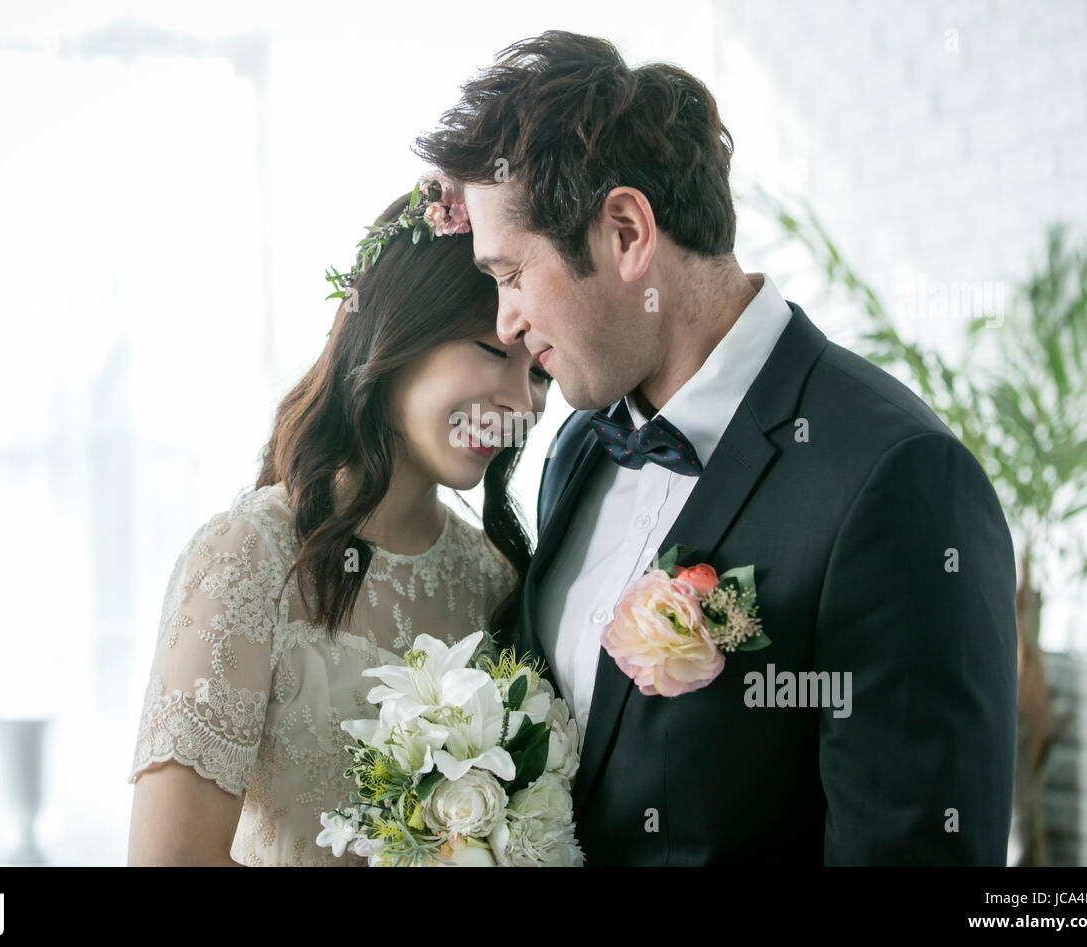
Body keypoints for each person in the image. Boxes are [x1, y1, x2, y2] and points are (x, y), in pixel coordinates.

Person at [413, 30, 1018, 865]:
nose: (506, 320)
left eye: (511, 274)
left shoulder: (900, 479)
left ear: (627, 232)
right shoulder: (580, 449)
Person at [125, 180, 552, 865]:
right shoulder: (247, 558)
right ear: (397, 335)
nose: (520, 400)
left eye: (541, 375)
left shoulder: (492, 578)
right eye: (494, 352)